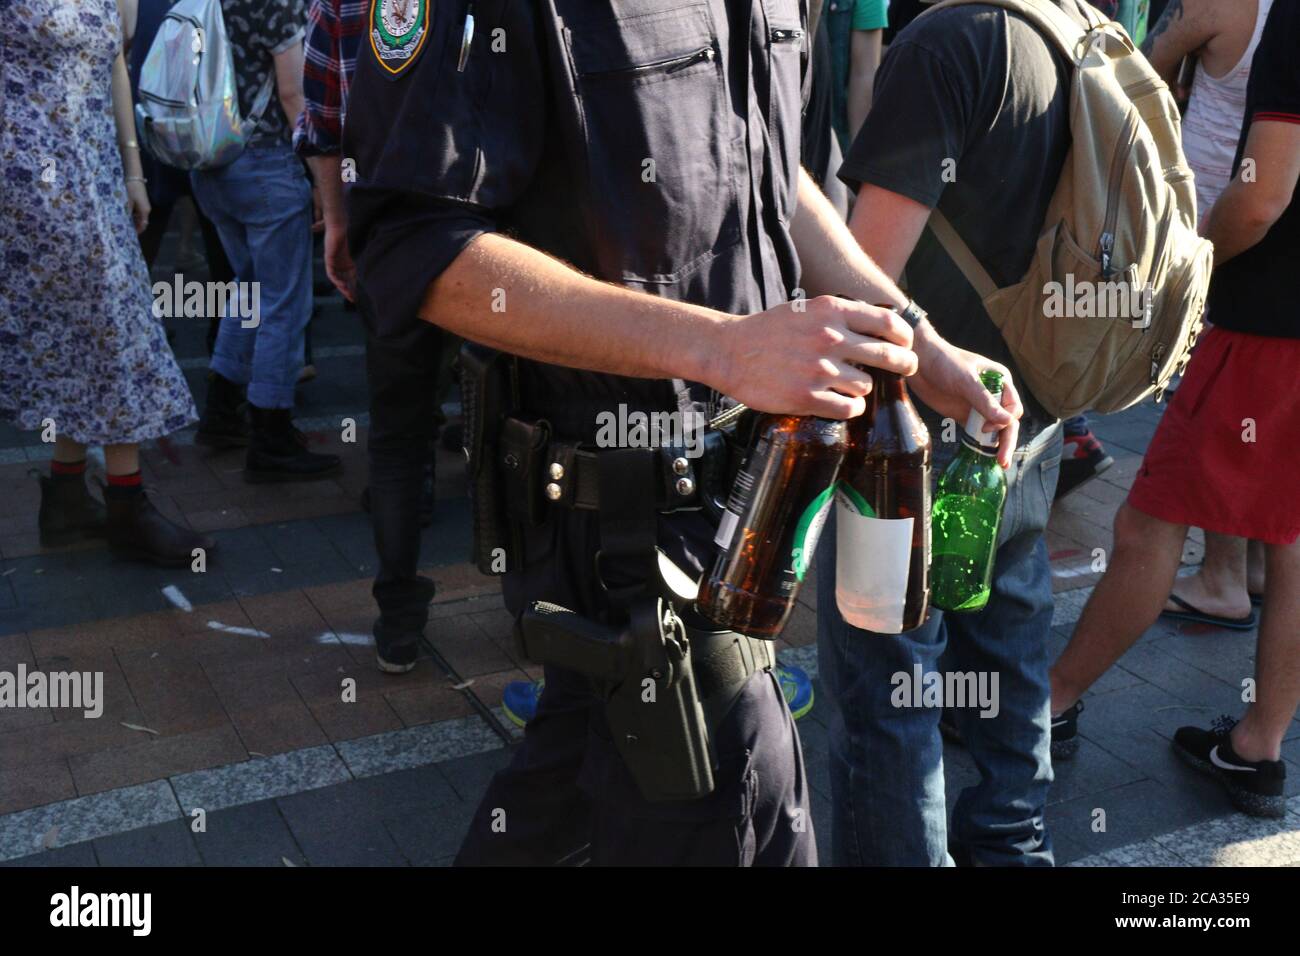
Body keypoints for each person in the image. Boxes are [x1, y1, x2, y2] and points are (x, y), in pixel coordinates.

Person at [345, 0, 1013, 866]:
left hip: (749, 509)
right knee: (737, 798)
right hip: (617, 529)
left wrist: (917, 343)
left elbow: (773, 177)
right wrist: (721, 348)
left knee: (585, 788)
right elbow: (414, 250)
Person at [819, 0, 1103, 867]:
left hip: (918, 424)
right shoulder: (1073, 23)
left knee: (890, 698)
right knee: (1006, 672)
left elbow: (867, 275)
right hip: (1027, 415)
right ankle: (1014, 852)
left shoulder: (950, 41)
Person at [1050, 0, 1300, 819]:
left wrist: (1182, 270)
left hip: (1267, 327)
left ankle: (1047, 703)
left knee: (1147, 523)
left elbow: (1263, 194)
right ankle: (1259, 743)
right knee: (1293, 545)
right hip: (1275, 325)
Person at [1, 0, 213, 567]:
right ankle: (126, 505)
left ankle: (68, 500)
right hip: (32, 181)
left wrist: (134, 173)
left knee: (91, 333)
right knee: (114, 329)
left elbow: (116, 63)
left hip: (95, 174)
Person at [1141, 0, 1276, 630]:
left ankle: (1222, 576)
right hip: (1277, 234)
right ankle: (1250, 564)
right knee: (1257, 413)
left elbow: (1131, 81)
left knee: (1215, 408)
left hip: (1216, 225)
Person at [191, 0, 342, 484]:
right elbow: (293, 93)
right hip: (265, 166)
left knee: (250, 288)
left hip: (212, 161)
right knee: (283, 303)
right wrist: (321, 180)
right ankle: (271, 436)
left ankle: (221, 412)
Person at [127, 0, 236, 356]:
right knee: (216, 241)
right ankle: (221, 351)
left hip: (160, 119)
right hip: (203, 126)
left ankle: (139, 334)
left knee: (148, 231)